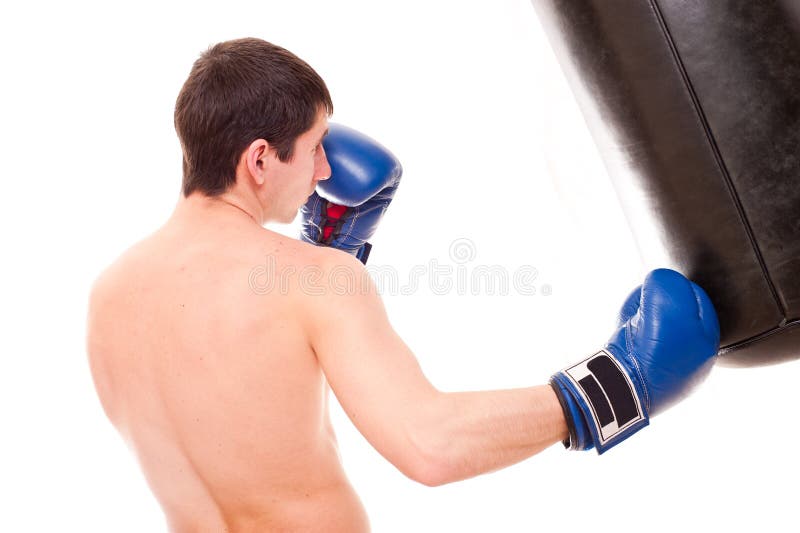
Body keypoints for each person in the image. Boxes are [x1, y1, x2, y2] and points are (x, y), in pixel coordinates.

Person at [86, 37, 720, 532]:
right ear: (258, 159)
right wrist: (619, 382)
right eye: (312, 149)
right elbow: (430, 445)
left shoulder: (107, 297)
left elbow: (248, 415)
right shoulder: (315, 282)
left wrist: (325, 249)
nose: (327, 169)